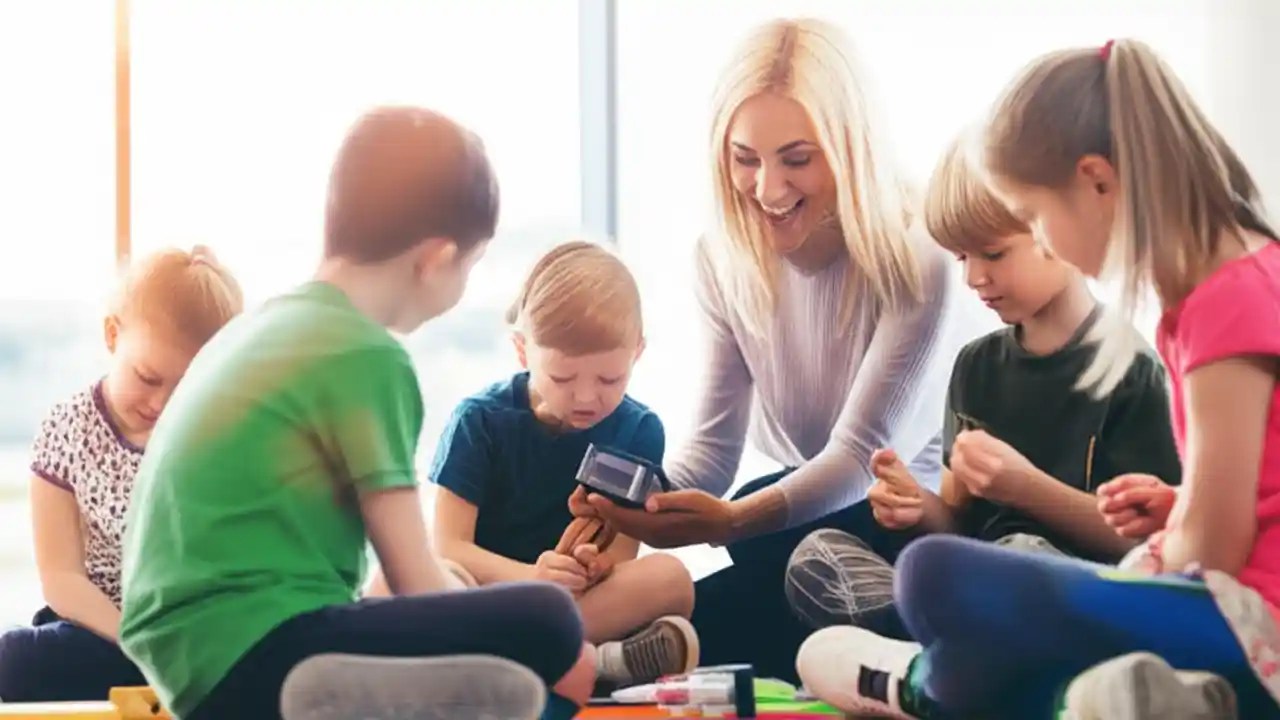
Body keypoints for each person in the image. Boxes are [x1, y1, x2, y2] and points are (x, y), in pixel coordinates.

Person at [796, 38, 1280, 720]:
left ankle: (946, 684)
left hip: (1250, 623)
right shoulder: (1247, 276)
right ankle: (1106, 696)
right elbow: (1251, 502)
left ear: (1097, 182)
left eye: (1030, 220)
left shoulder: (1220, 304)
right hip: (1236, 604)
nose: (1044, 241)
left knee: (935, 576)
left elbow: (1216, 551)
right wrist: (1178, 505)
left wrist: (1158, 551)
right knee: (953, 582)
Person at [117, 107, 596, 720]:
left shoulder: (256, 330)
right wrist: (471, 604)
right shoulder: (365, 354)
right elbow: (412, 575)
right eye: (469, 266)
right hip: (267, 648)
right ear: (434, 259)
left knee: (494, 641)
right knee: (551, 619)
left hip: (182, 660)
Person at [570, 17, 967, 680]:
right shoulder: (723, 258)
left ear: (850, 148)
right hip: (803, 534)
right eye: (745, 158)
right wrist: (637, 505)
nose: (768, 188)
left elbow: (857, 461)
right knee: (775, 541)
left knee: (781, 534)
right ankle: (645, 655)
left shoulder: (920, 256)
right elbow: (711, 454)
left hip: (903, 526)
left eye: (797, 159)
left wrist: (729, 523)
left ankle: (639, 655)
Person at [783, 134, 1181, 638]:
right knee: (817, 556)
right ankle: (941, 642)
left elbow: (1147, 546)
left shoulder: (1132, 371)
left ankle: (932, 644)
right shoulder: (975, 366)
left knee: (1020, 555)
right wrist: (918, 507)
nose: (974, 277)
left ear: (1059, 229)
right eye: (961, 258)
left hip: (1073, 594)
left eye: (992, 254)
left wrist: (1026, 488)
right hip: (978, 580)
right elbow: (960, 523)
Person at [430, 240, 698, 689]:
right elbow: (448, 547)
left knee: (671, 579)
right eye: (562, 378)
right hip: (489, 595)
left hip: (575, 603)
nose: (587, 397)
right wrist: (533, 578)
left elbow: (620, 556)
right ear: (522, 351)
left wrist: (593, 566)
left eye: (610, 378)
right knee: (438, 580)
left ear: (637, 352)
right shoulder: (479, 421)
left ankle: (518, 658)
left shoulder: (639, 430)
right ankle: (591, 661)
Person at [0, 247, 242, 703]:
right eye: (148, 377)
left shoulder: (211, 438)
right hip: (101, 631)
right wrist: (140, 644)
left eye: (186, 387)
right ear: (113, 335)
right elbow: (62, 578)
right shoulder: (66, 429)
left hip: (188, 634)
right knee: (14, 659)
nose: (161, 404)